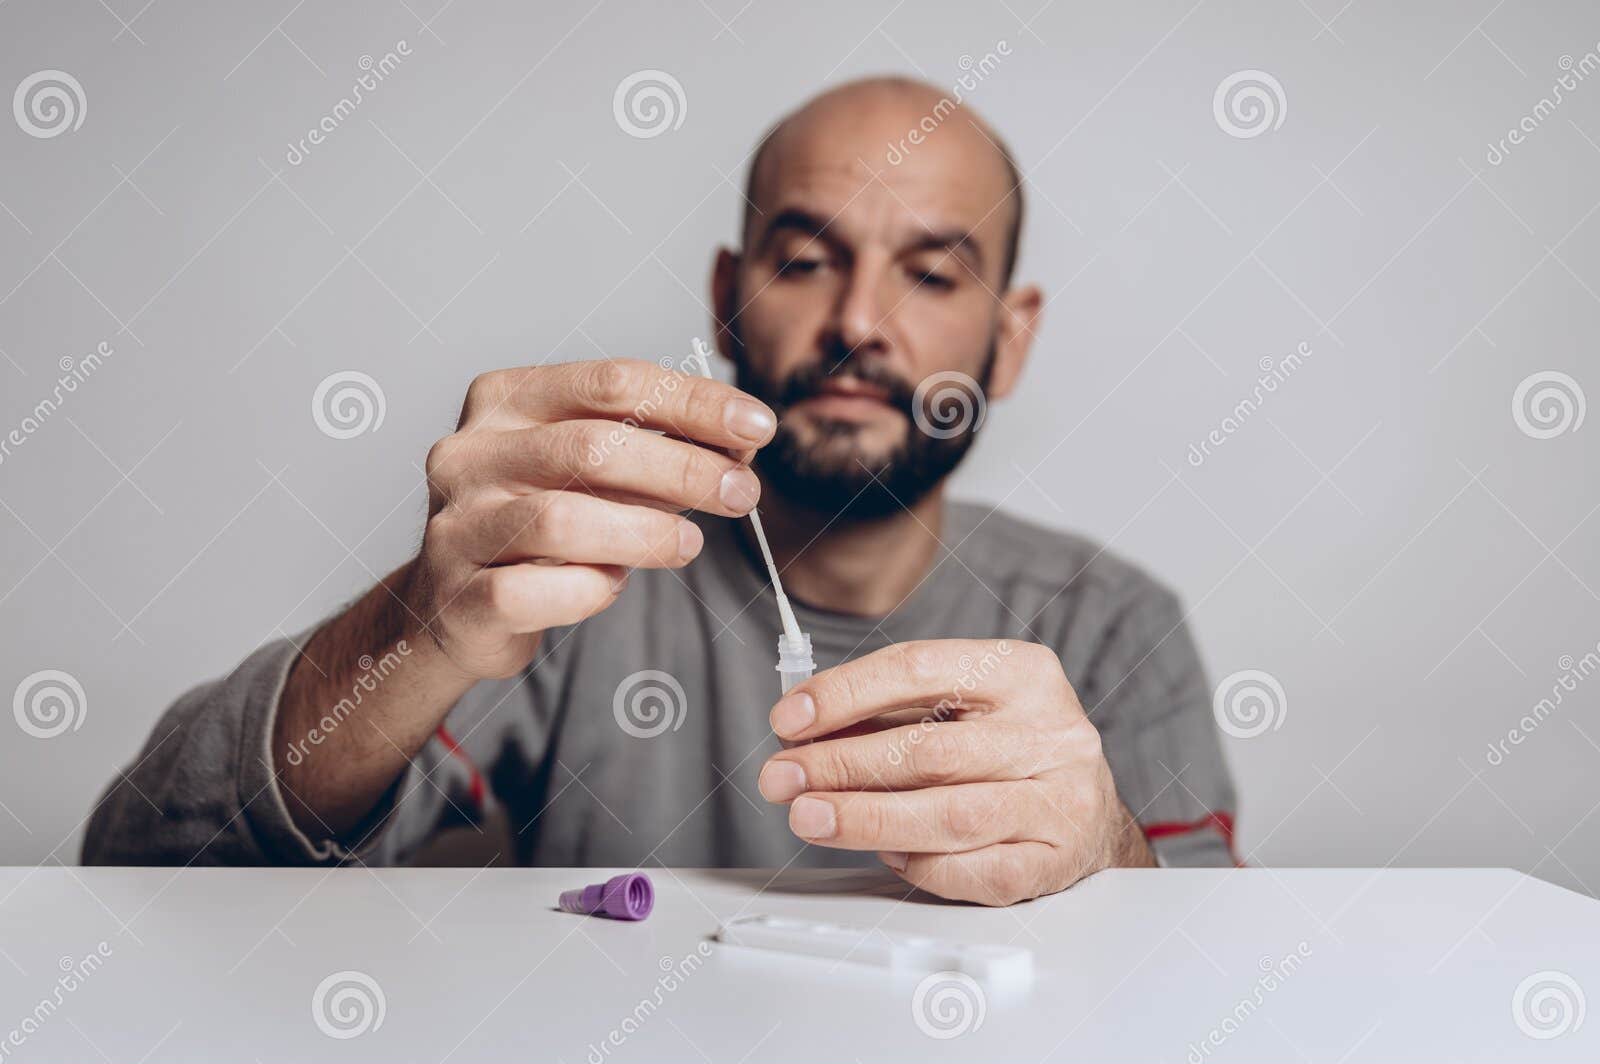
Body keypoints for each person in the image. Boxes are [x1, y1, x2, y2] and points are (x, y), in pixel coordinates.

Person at [83, 77, 1237, 903]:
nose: (857, 324)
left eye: (932, 272)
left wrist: (1109, 854)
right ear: (729, 299)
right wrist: (416, 625)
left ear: (1010, 335)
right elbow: (144, 869)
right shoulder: (581, 581)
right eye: (803, 259)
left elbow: (1238, 1026)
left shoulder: (1112, 623)